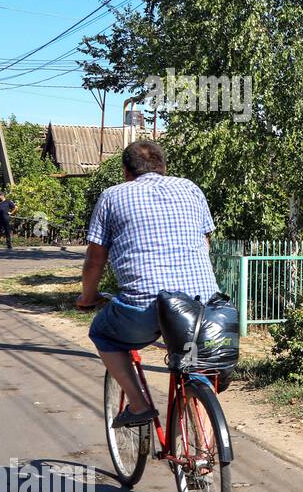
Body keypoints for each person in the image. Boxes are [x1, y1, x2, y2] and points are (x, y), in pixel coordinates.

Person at [77, 141, 220, 427]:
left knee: (102, 333)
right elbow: (205, 242)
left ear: (125, 171)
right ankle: (201, 458)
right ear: (163, 167)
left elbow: (95, 260)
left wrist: (87, 298)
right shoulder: (190, 188)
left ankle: (140, 405)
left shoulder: (112, 196)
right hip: (203, 304)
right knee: (193, 364)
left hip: (145, 306)